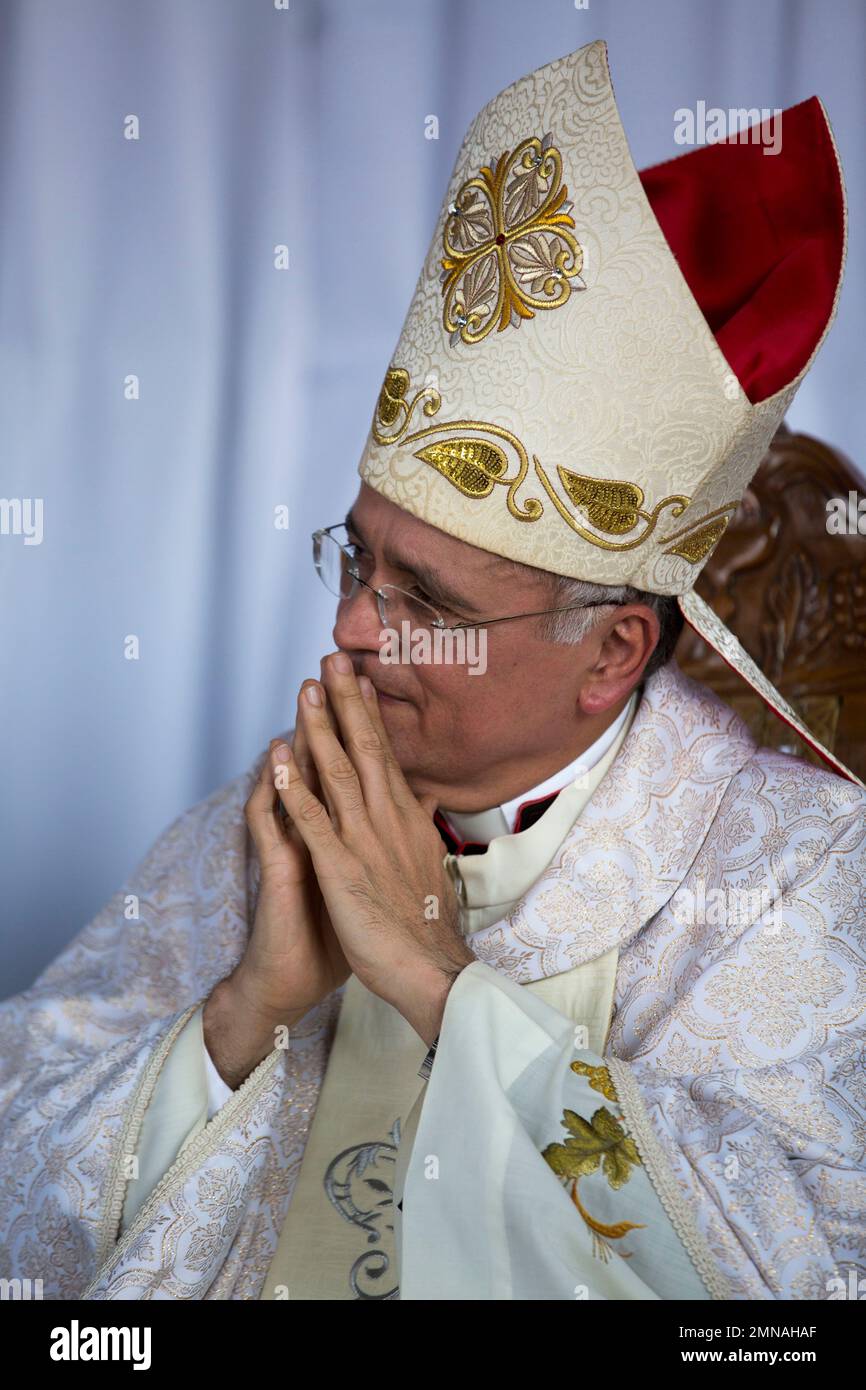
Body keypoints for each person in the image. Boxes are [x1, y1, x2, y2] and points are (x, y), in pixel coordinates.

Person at [1, 38, 863, 1302]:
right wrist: (247, 1010)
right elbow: (26, 1158)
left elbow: (795, 1281)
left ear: (611, 650)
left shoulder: (791, 868)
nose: (356, 629)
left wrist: (436, 981)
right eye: (358, 564)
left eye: (428, 603)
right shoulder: (286, 811)